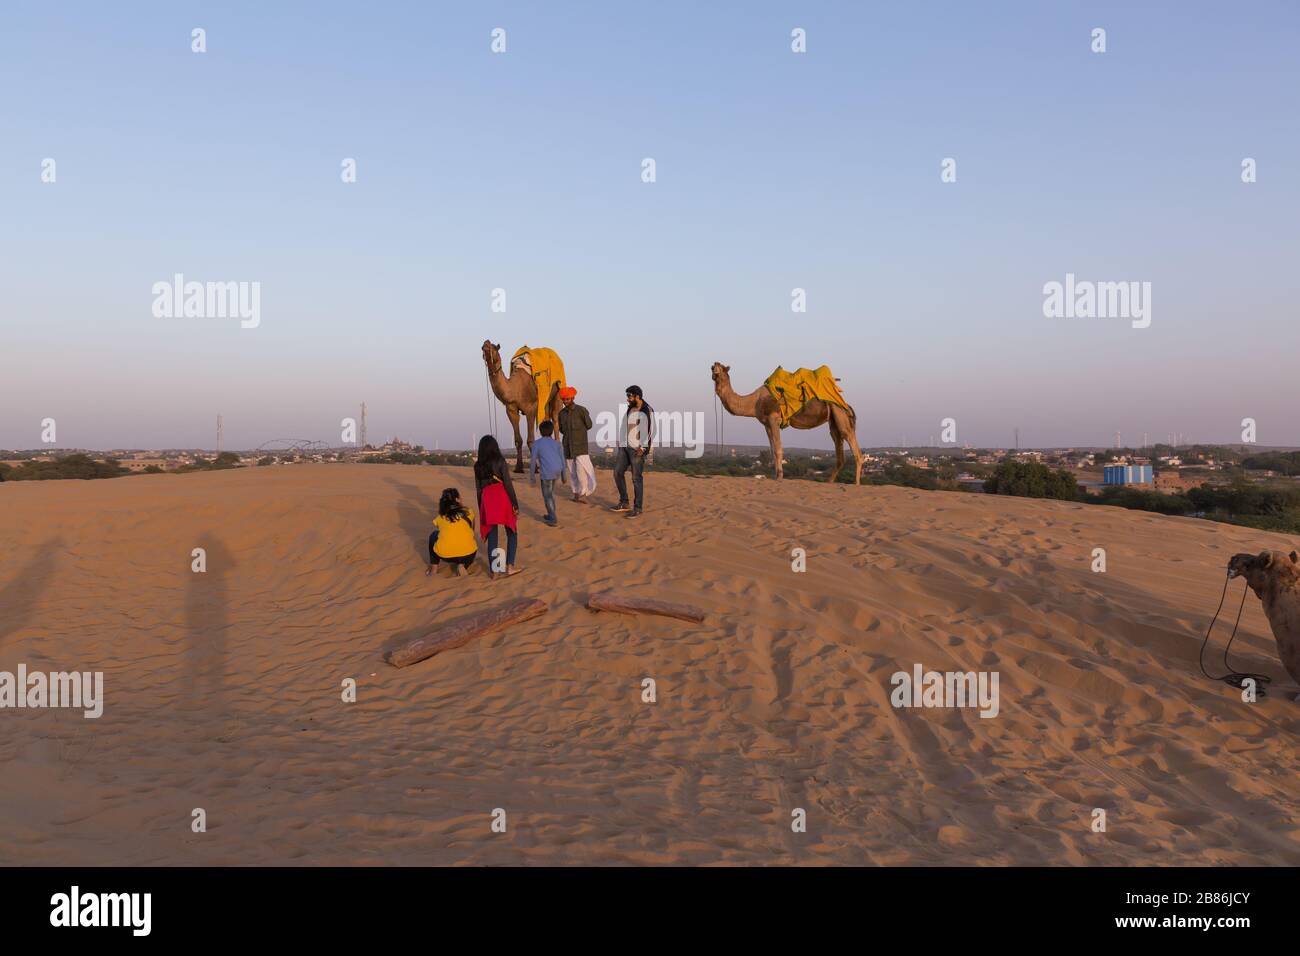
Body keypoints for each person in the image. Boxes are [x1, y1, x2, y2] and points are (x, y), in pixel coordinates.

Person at [474, 435, 522, 577]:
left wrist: (481, 507)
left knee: (492, 535)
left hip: (487, 499)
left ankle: (494, 570)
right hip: (502, 496)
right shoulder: (500, 461)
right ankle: (509, 566)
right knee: (512, 531)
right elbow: (507, 483)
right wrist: (515, 504)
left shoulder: (477, 466)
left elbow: (478, 489)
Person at [612, 384, 653, 518]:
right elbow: (625, 425)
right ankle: (624, 502)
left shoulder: (647, 410)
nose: (627, 399)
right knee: (617, 472)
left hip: (637, 449)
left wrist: (643, 448)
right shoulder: (630, 409)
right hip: (625, 447)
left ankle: (637, 508)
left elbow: (650, 430)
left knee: (636, 478)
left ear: (637, 396)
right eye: (627, 396)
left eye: (629, 396)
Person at [426, 487, 478, 577]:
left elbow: (441, 531)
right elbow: (472, 531)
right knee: (470, 540)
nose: (462, 499)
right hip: (467, 554)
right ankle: (462, 565)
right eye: (460, 497)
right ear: (457, 499)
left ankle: (433, 570)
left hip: (446, 555)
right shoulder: (469, 512)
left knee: (433, 535)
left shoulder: (441, 517)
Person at [557, 386, 596, 503]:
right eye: (563, 399)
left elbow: (589, 425)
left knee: (582, 470)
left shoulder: (581, 410)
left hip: (581, 446)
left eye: (567, 399)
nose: (565, 401)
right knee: (573, 472)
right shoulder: (561, 414)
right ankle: (576, 495)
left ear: (573, 398)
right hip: (568, 446)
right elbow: (562, 430)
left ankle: (585, 490)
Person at [531, 420, 565, 527]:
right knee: (551, 493)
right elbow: (562, 459)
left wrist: (532, 476)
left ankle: (553, 517)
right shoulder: (557, 443)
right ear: (551, 431)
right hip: (557, 471)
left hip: (546, 473)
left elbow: (533, 461)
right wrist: (564, 475)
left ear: (540, 432)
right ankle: (551, 514)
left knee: (547, 496)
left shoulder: (537, 444)